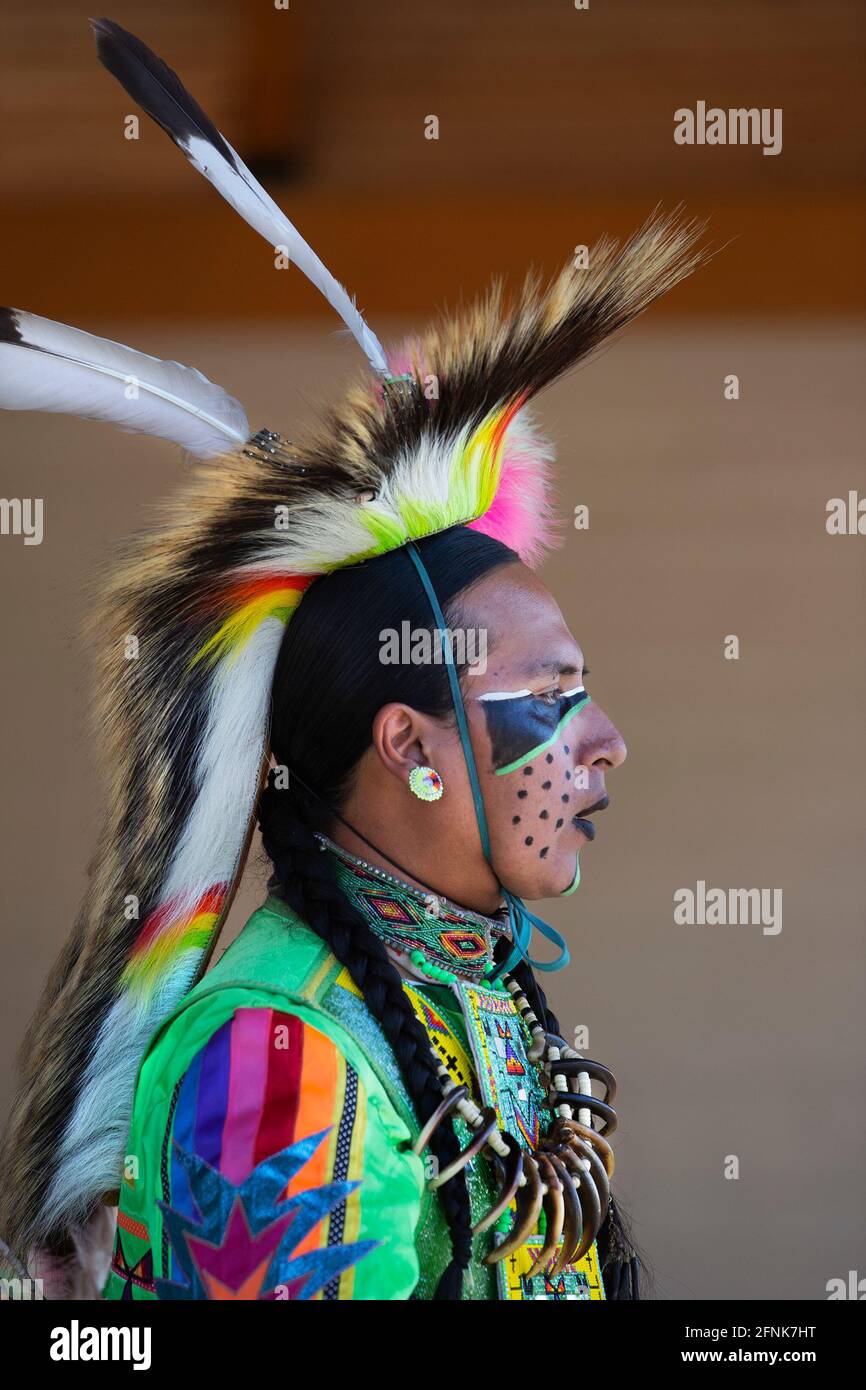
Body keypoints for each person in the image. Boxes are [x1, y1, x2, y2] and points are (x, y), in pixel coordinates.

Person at [0, 19, 704, 1300]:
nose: (603, 738)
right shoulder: (275, 1056)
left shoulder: (465, 998)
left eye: (581, 692)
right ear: (410, 746)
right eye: (547, 696)